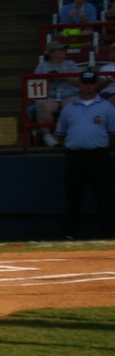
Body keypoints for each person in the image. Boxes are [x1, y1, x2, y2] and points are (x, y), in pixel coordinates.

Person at [56, 69, 115, 238]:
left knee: (104, 195)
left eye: (91, 83)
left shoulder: (106, 107)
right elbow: (61, 134)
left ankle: (107, 232)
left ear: (95, 85)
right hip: (75, 156)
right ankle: (70, 232)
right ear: (80, 84)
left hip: (98, 155)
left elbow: (113, 133)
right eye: (85, 83)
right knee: (73, 195)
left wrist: (100, 146)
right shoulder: (69, 108)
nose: (88, 87)